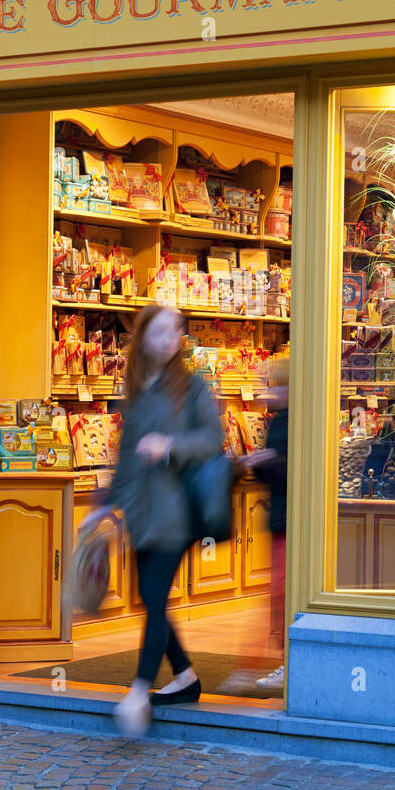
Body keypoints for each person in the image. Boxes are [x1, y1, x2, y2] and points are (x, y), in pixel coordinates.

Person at [81, 303, 225, 737]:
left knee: (155, 598)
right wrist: (106, 505)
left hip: (177, 513)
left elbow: (212, 440)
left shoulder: (193, 386)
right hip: (144, 513)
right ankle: (184, 676)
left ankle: (139, 690)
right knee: (151, 598)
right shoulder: (139, 388)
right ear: (143, 336)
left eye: (175, 331)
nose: (169, 339)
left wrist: (168, 446)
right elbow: (127, 456)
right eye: (160, 331)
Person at [240, 357, 288, 693]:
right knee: (277, 595)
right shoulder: (280, 420)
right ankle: (256, 665)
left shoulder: (293, 420)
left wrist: (268, 461)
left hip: (290, 516)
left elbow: (299, 468)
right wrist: (261, 463)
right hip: (280, 515)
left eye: (277, 386)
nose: (271, 393)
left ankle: (258, 666)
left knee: (281, 594)